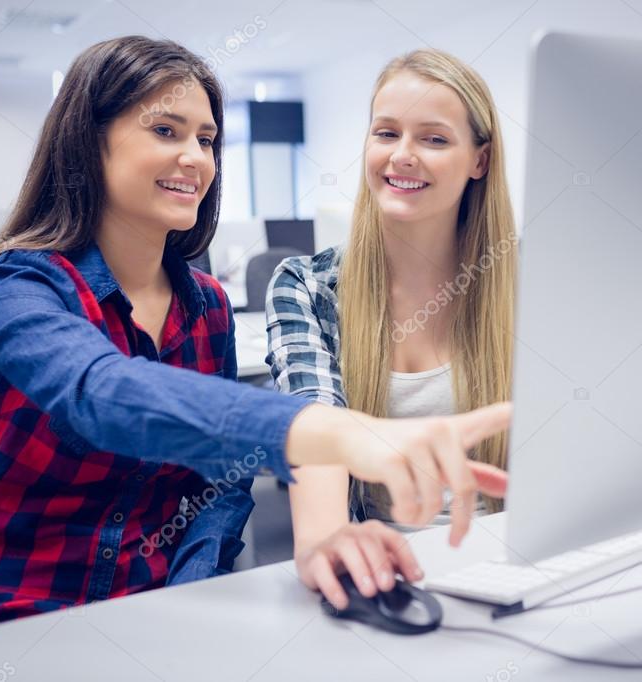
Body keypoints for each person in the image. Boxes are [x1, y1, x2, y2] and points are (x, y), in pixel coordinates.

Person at [0, 36, 510, 635]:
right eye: (166, 131)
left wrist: (185, 601)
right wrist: (333, 435)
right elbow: (100, 393)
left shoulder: (206, 309)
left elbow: (221, 489)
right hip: (8, 619)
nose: (196, 158)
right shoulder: (19, 286)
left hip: (160, 614)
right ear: (89, 142)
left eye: (205, 140)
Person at [267, 49, 516, 609]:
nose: (402, 156)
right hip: (390, 576)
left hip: (517, 560)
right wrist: (327, 542)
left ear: (480, 160)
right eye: (386, 133)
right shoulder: (308, 287)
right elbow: (317, 434)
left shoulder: (526, 284)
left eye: (433, 138)